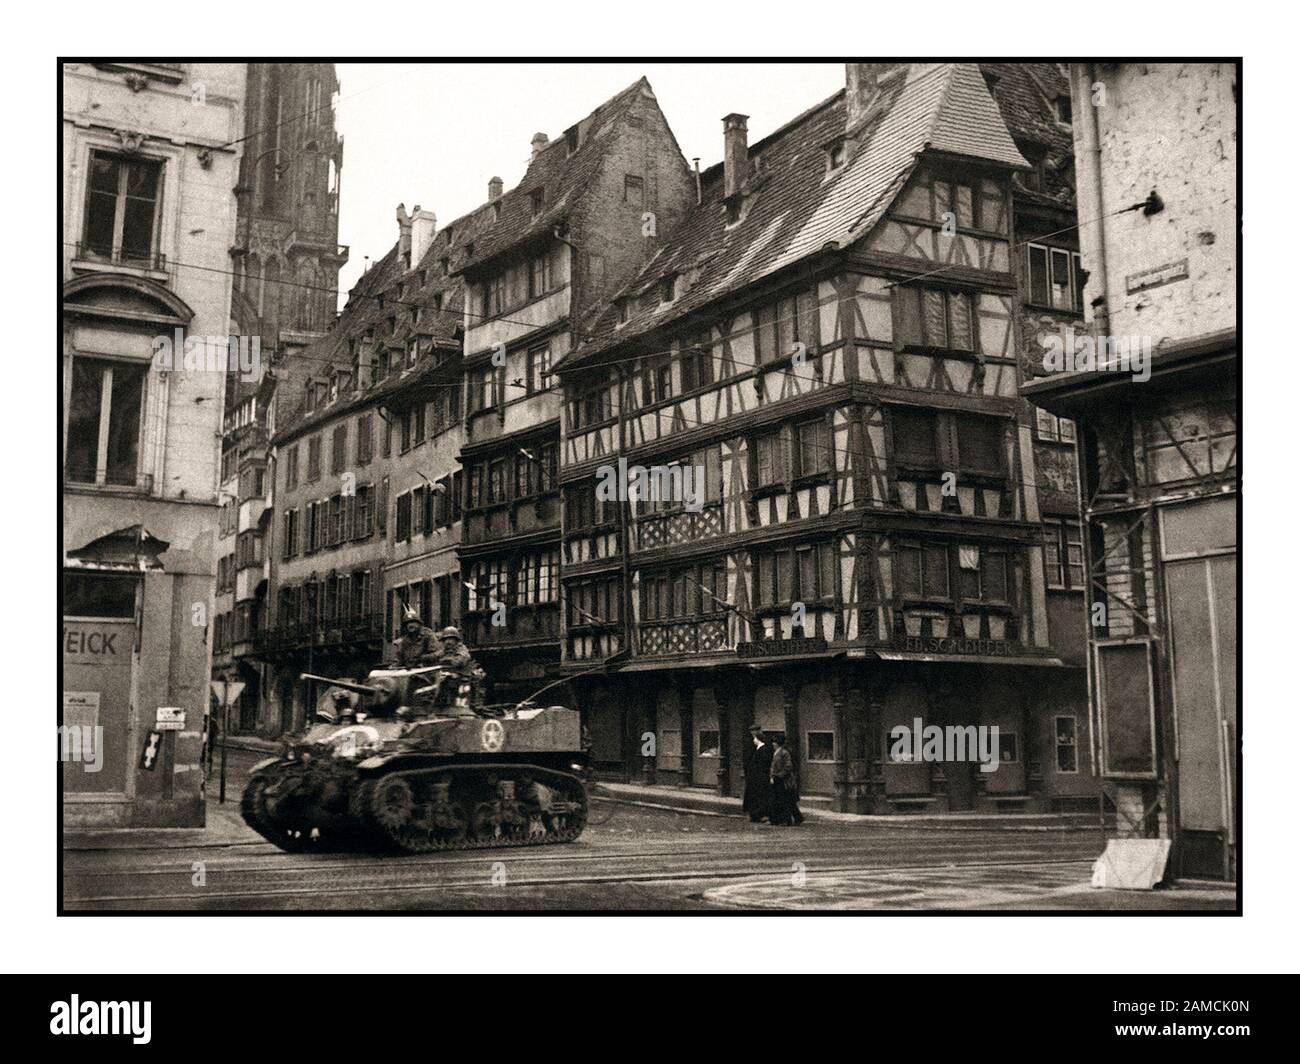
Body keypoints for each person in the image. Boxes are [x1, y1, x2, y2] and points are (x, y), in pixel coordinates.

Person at [769, 734, 803, 826]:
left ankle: (786, 820)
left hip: (784, 781)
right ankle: (796, 818)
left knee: (784, 800)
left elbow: (788, 766)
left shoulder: (784, 753)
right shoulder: (776, 752)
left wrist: (779, 775)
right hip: (777, 779)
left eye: (775, 742)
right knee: (786, 801)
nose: (773, 744)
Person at [742, 724, 774, 823]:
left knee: (761, 795)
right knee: (753, 795)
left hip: (760, 775)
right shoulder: (750, 742)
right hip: (752, 774)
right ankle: (753, 814)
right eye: (752, 731)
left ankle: (761, 814)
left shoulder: (764, 744)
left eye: (755, 731)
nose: (753, 734)